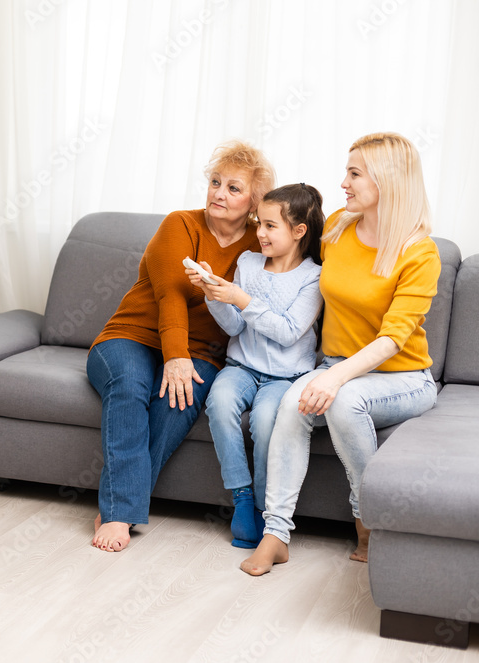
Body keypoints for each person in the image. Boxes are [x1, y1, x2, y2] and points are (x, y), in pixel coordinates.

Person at [241, 132, 440, 576]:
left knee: (344, 399)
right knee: (292, 406)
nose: (343, 182)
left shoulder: (419, 252)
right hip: (336, 368)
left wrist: (332, 379)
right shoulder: (336, 229)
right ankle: (276, 535)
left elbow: (393, 339)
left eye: (354, 173)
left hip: (402, 377)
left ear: (386, 182)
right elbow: (285, 259)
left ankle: (368, 520)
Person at [88, 140, 276, 552]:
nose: (218, 194)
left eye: (233, 188)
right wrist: (175, 356)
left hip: (203, 353)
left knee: (176, 402)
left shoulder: (259, 246)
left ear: (254, 203)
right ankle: (120, 512)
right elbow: (171, 294)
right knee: (130, 387)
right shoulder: (179, 224)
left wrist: (185, 360)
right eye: (214, 182)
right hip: (131, 336)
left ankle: (120, 501)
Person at [188, 184, 324, 549]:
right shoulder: (247, 263)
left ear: (299, 231)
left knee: (266, 423)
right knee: (219, 403)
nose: (259, 233)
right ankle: (242, 499)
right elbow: (234, 325)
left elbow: (288, 332)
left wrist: (240, 297)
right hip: (241, 366)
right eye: (258, 223)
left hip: (286, 375)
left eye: (269, 226)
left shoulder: (313, 277)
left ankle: (266, 511)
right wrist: (213, 294)